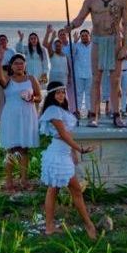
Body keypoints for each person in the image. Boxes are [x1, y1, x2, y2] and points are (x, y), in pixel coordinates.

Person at [65, 0, 127, 128]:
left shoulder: (123, 1)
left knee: (115, 80)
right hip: (97, 41)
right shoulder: (90, 1)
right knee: (96, 79)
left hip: (115, 40)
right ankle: (94, 115)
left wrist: (125, 46)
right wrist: (70, 26)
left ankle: (117, 115)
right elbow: (80, 18)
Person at [39, 81, 97, 240]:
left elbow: (67, 134)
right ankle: (88, 224)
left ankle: (50, 227)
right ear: (51, 95)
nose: (61, 95)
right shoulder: (52, 110)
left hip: (63, 154)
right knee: (74, 190)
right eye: (58, 93)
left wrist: (73, 153)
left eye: (63, 92)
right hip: (57, 156)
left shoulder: (60, 110)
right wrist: (80, 149)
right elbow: (63, 135)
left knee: (54, 190)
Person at [0, 52, 42, 192]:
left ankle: (23, 180)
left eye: (21, 63)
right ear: (11, 65)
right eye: (16, 63)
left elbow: (39, 96)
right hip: (11, 116)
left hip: (27, 115)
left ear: (25, 65)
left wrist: (32, 99)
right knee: (10, 149)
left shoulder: (31, 79)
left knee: (24, 149)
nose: (19, 65)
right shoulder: (8, 80)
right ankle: (9, 181)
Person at [71, 29, 93, 118]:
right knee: (78, 93)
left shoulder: (93, 46)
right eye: (82, 36)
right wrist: (74, 42)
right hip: (79, 73)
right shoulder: (77, 46)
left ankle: (90, 111)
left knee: (89, 93)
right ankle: (77, 111)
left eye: (86, 35)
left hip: (90, 73)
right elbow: (71, 54)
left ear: (89, 36)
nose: (84, 37)